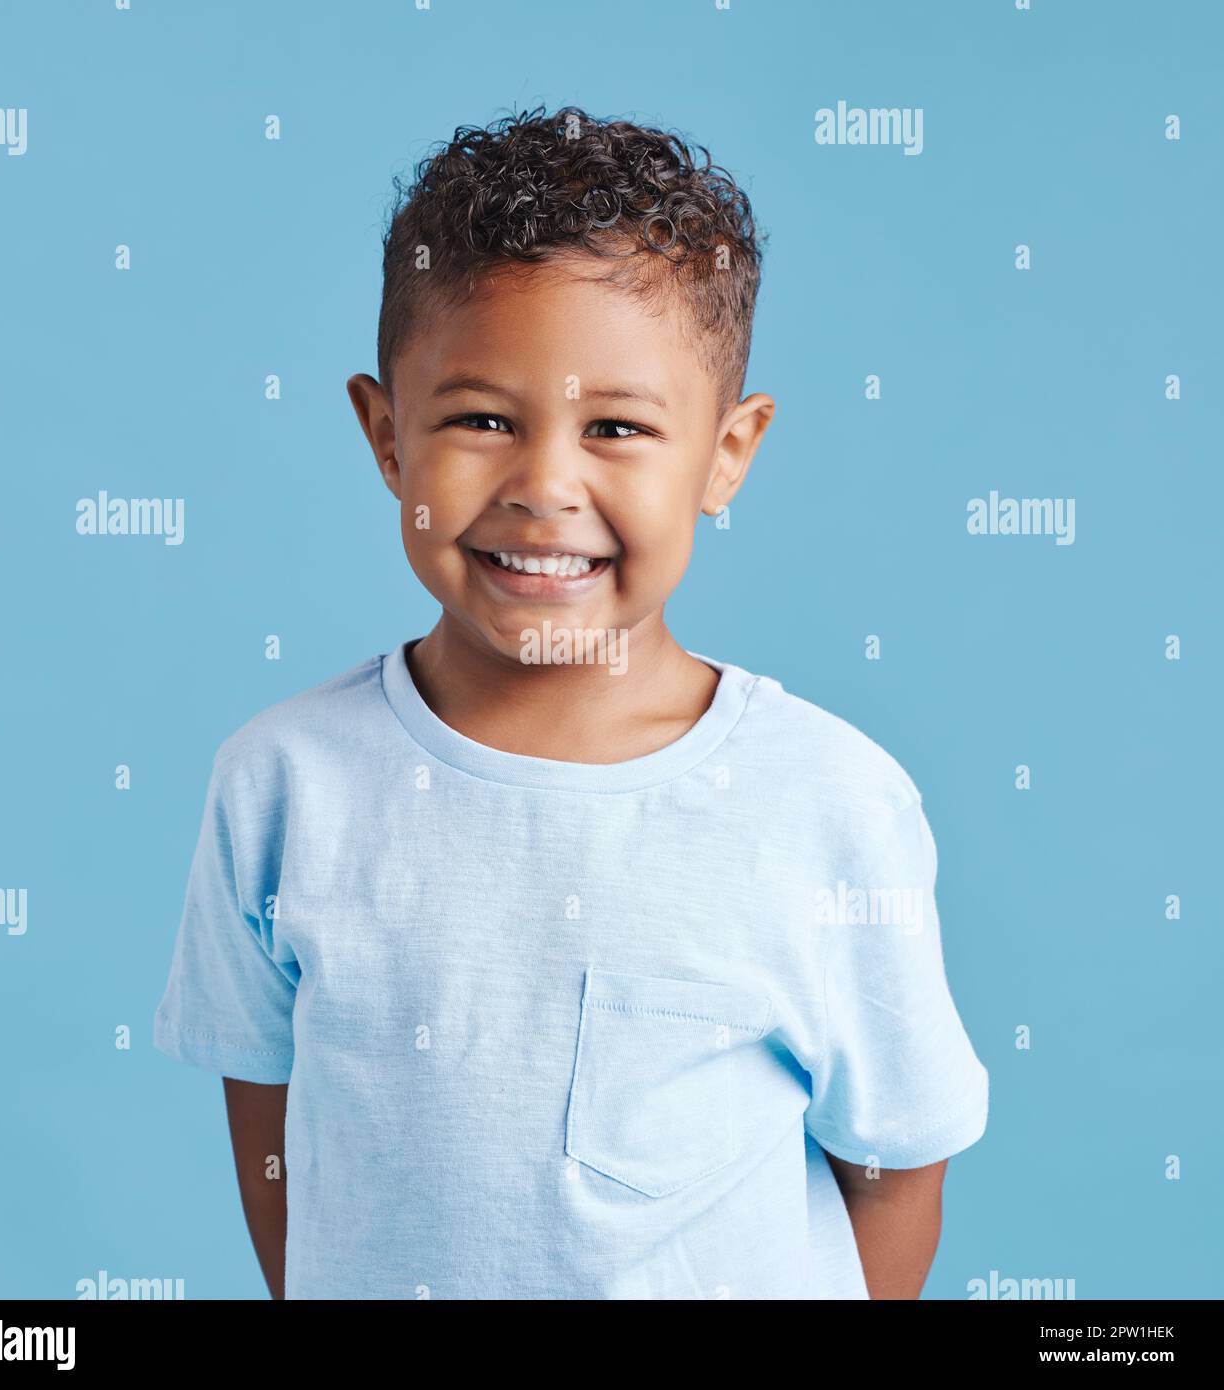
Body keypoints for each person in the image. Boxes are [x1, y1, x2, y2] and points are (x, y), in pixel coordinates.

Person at [153, 104, 989, 1300]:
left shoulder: (828, 803)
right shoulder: (281, 784)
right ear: (387, 434)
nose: (545, 485)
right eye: (482, 419)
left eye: (617, 428)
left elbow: (897, 1171)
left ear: (726, 454)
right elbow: (269, 1119)